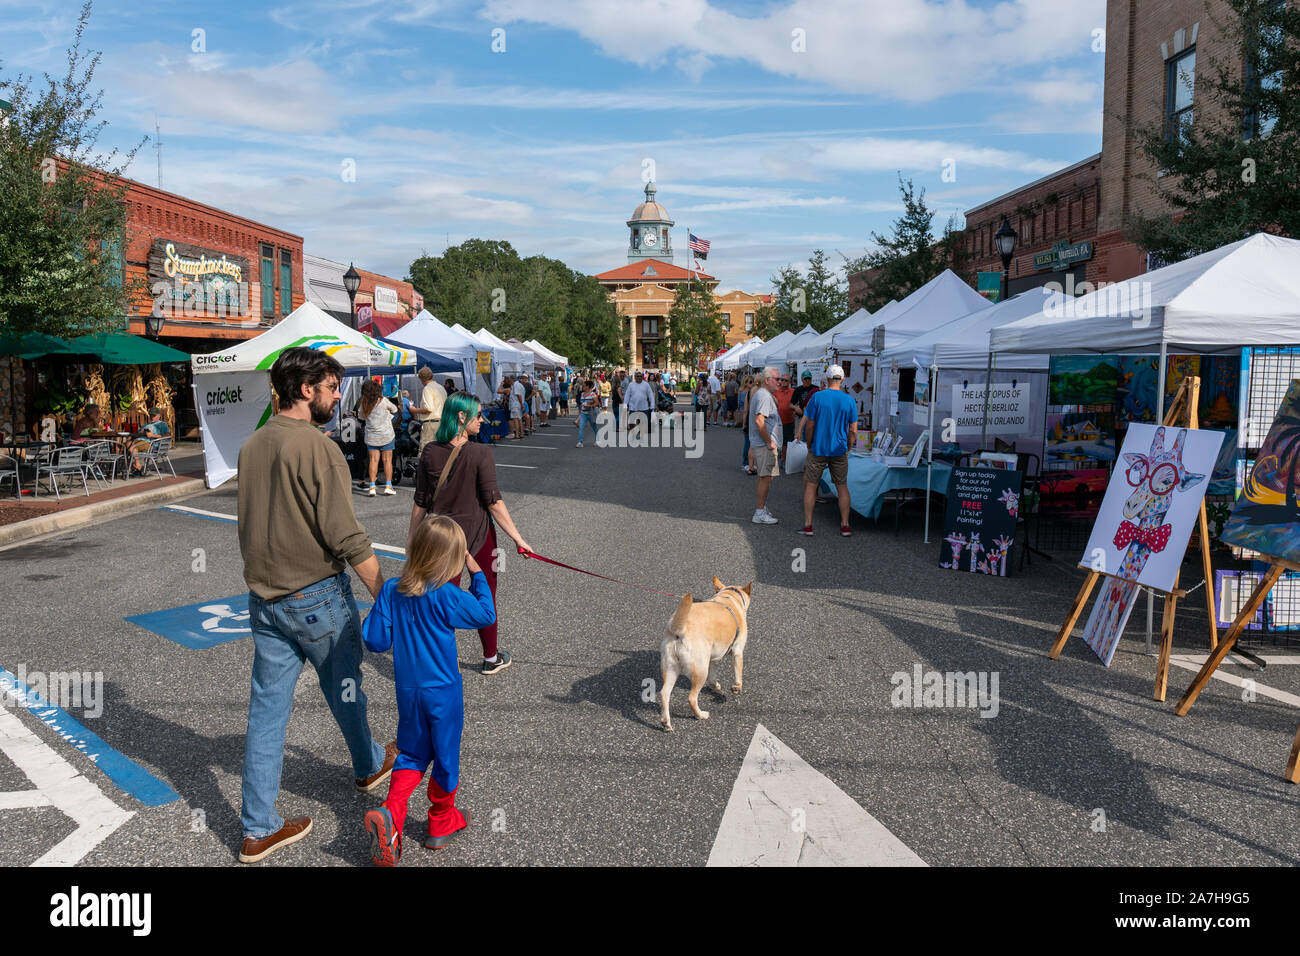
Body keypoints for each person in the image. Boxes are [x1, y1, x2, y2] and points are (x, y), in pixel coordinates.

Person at [236, 347, 396, 864]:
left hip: (265, 599)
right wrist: (385, 593)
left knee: (266, 713)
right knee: (346, 688)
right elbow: (345, 534)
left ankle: (258, 827)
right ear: (305, 389)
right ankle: (369, 764)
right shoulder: (318, 448)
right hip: (317, 595)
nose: (335, 398)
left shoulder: (253, 446)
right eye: (330, 388)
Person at [361, 515, 495, 864]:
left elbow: (375, 640)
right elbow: (485, 614)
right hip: (443, 692)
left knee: (412, 753)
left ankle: (392, 813)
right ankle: (440, 820)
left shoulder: (393, 590)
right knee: (446, 754)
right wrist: (477, 572)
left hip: (409, 692)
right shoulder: (447, 595)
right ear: (452, 560)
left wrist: (380, 611)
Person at [408, 392, 532, 675]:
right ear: (461, 417)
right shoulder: (481, 453)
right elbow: (493, 502)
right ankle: (491, 657)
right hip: (478, 537)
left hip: (440, 539)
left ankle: (440, 661)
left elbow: (421, 502)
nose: (482, 419)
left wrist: (412, 540)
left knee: (439, 599)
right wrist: (518, 539)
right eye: (477, 415)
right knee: (485, 595)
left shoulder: (429, 452)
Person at [797, 365, 858, 537]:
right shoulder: (849, 400)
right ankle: (845, 525)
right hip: (839, 449)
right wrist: (850, 445)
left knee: (811, 485)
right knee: (842, 486)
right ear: (843, 380)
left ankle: (808, 525)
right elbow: (853, 429)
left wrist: (809, 443)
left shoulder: (817, 397)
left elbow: (810, 424)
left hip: (818, 448)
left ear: (827, 379)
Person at [750, 367, 783, 524]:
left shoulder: (764, 394)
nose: (780, 382)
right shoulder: (763, 395)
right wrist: (769, 442)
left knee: (765, 477)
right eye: (777, 379)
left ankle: (761, 508)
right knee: (765, 478)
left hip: (763, 444)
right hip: (764, 445)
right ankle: (759, 511)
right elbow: (759, 421)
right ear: (767, 380)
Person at [359, 379, 397, 496]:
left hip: (371, 437)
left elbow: (361, 417)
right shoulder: (384, 401)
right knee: (387, 461)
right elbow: (395, 409)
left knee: (373, 461)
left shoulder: (364, 403)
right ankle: (388, 486)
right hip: (386, 435)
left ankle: (372, 487)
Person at [128, 407, 172, 476]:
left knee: (131, 448)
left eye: (153, 415)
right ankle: (131, 467)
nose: (152, 417)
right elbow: (136, 435)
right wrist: (141, 432)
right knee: (122, 446)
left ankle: (137, 466)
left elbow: (168, 435)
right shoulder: (145, 425)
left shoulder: (162, 424)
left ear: (159, 415)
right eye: (151, 415)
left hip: (149, 443)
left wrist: (153, 435)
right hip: (138, 440)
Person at [414, 367, 447, 454]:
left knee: (426, 450)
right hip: (441, 422)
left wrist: (415, 410)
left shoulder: (427, 389)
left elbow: (428, 408)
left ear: (421, 378)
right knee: (440, 450)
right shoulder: (441, 388)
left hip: (430, 424)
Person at [773, 373, 796, 464]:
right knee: (777, 441)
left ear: (789, 382)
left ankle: (784, 459)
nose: (783, 382)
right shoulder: (776, 391)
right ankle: (777, 457)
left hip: (789, 421)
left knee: (787, 441)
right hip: (777, 422)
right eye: (782, 380)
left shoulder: (793, 391)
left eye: (785, 380)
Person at [791, 370, 819, 439]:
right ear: (802, 379)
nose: (807, 380)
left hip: (813, 418)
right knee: (800, 438)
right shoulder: (798, 390)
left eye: (809, 378)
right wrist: (795, 408)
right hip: (801, 417)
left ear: (811, 379)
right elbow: (791, 404)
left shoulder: (816, 389)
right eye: (805, 379)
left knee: (812, 437)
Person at [576, 379, 601, 447]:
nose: (583, 387)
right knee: (581, 427)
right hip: (583, 413)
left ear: (588, 387)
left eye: (584, 386)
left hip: (591, 413)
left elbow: (597, 403)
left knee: (594, 427)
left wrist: (589, 405)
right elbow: (581, 404)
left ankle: (598, 441)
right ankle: (580, 442)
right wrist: (579, 416)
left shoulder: (593, 394)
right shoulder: (582, 394)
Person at [507, 375, 525, 440]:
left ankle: (517, 435)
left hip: (515, 404)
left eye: (510, 380)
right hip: (518, 404)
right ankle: (521, 433)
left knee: (516, 420)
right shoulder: (520, 385)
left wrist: (521, 404)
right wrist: (522, 404)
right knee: (519, 419)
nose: (509, 381)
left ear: (512, 380)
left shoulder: (515, 385)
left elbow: (518, 395)